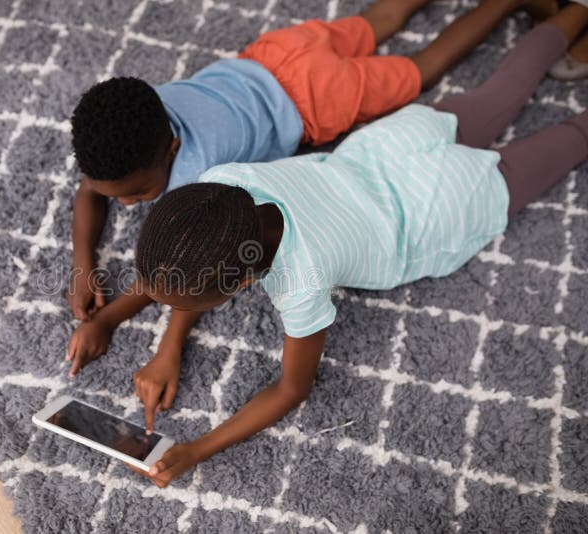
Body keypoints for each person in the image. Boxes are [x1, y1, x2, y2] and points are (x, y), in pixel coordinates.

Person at [126, 3, 588, 487]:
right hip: (397, 145)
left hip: (442, 208)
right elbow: (194, 250)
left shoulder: (300, 283)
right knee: (506, 85)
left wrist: (197, 449)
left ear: (243, 281)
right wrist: (168, 347)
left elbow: (290, 389)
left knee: (573, 138)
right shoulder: (225, 180)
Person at [66, 0, 557, 375]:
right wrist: (83, 268)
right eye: (118, 197)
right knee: (378, 20)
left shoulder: (201, 175)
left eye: (133, 194)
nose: (126, 204)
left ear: (172, 152)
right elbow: (93, 189)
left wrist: (144, 338)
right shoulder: (143, 112)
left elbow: (190, 271)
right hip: (275, 54)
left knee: (422, 68)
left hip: (317, 101)